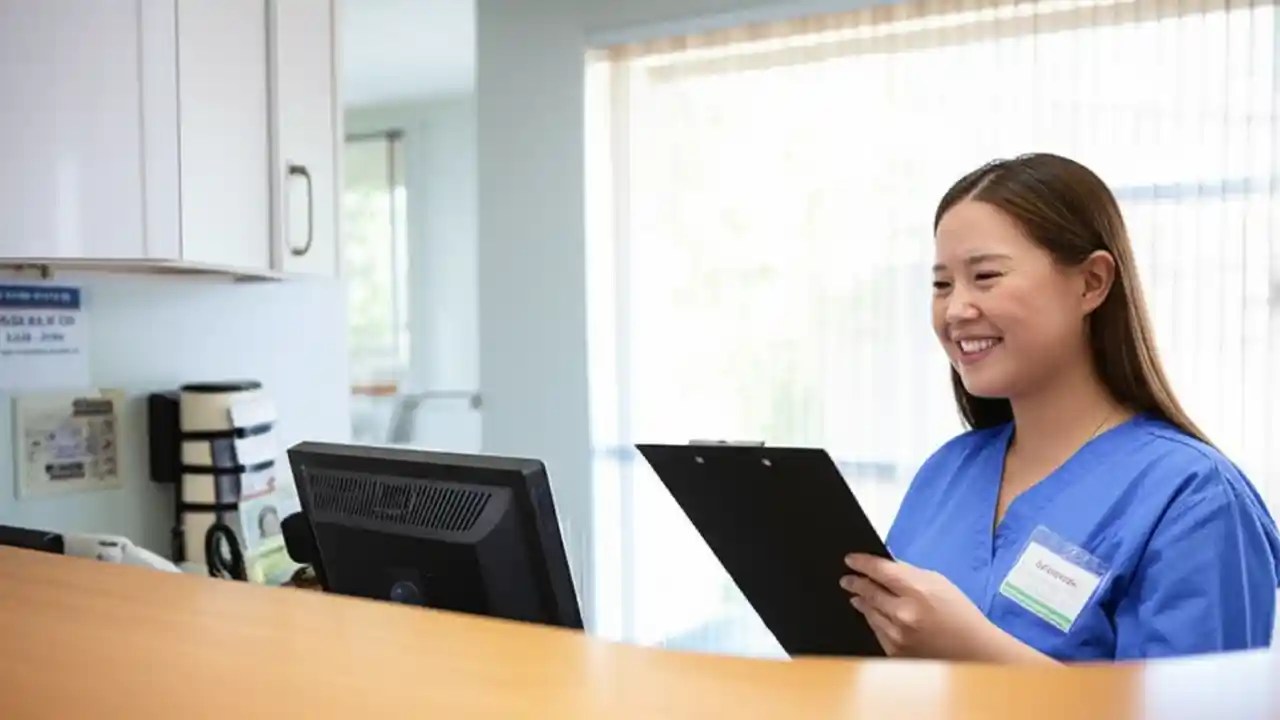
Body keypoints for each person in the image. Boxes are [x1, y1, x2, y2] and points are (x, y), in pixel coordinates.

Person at [839, 153, 1280, 662]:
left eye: (985, 276)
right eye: (942, 285)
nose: (956, 309)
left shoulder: (1194, 498)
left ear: (1091, 282)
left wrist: (978, 653)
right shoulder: (948, 473)